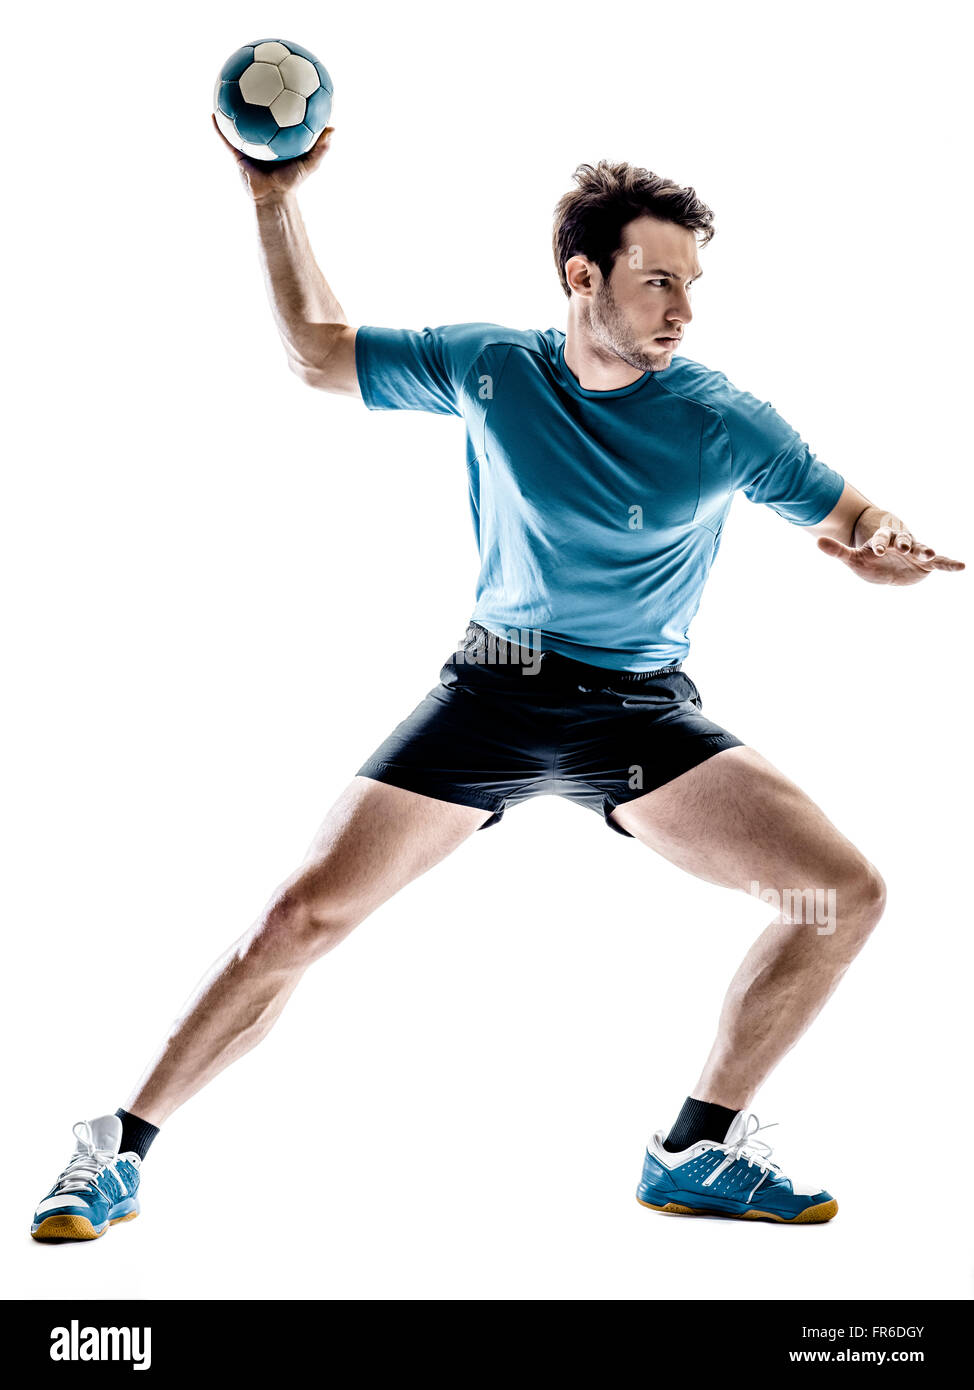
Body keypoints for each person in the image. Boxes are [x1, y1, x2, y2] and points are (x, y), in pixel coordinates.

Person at [30, 125, 965, 1242]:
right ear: (583, 275)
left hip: (635, 715)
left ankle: (694, 1147)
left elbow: (858, 520)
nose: (681, 309)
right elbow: (318, 351)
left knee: (840, 894)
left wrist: (885, 547)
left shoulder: (719, 418)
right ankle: (116, 1152)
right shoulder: (492, 369)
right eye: (656, 280)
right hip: (495, 688)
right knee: (297, 917)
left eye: (691, 285)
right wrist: (274, 201)